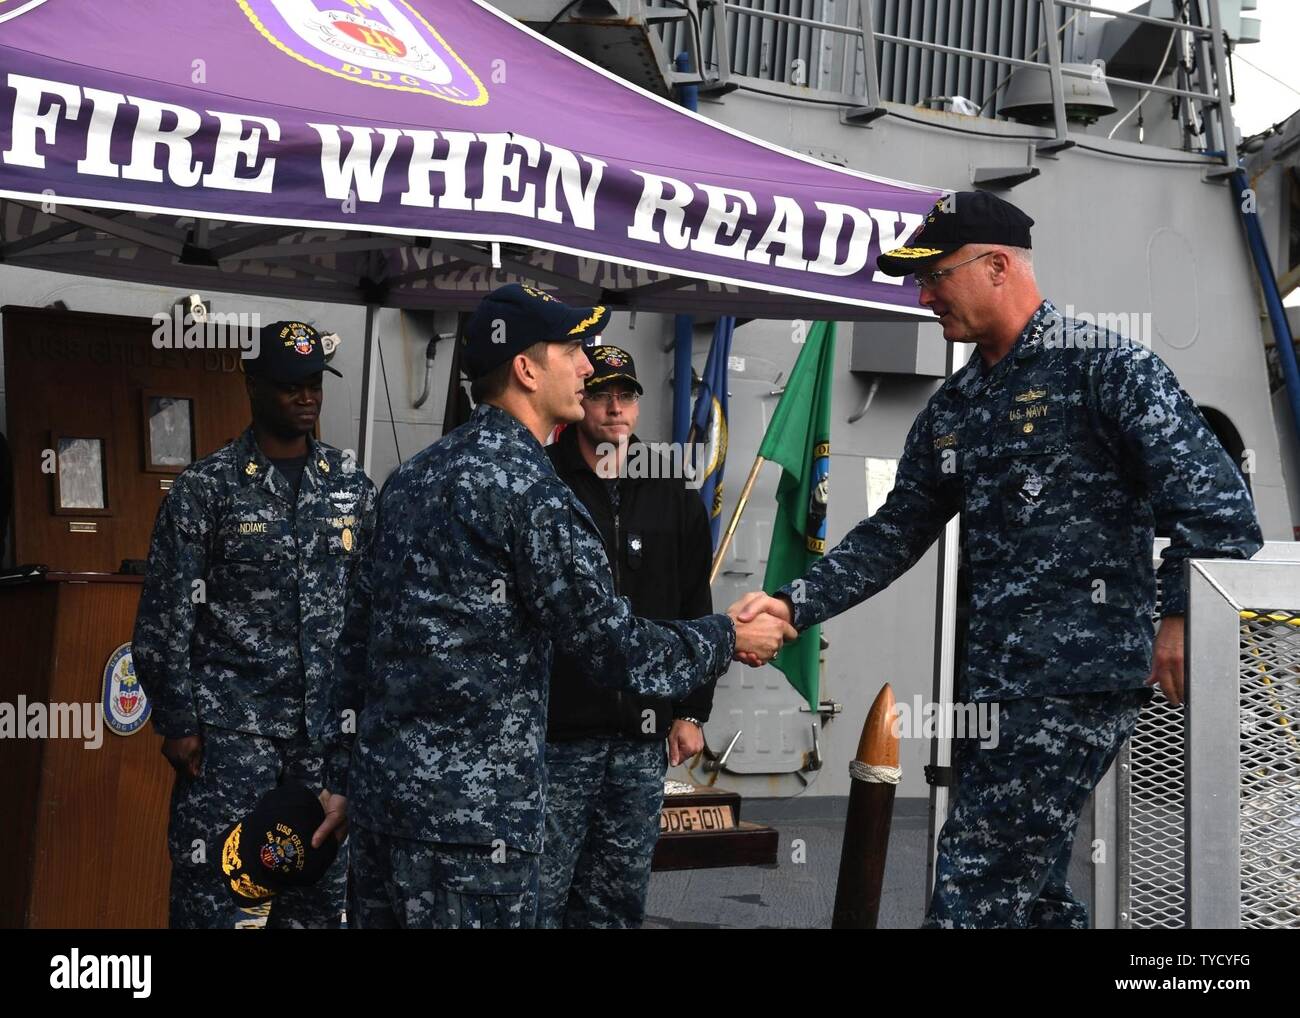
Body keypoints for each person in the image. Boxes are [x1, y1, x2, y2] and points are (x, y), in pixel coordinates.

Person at [732, 191, 1263, 928]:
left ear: (997, 267)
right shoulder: (956, 406)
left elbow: (1220, 512)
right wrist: (796, 604)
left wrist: (1178, 619)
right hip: (998, 689)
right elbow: (898, 529)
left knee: (972, 892)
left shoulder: (1108, 371)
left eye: (935, 277)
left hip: (1077, 684)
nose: (923, 297)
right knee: (1035, 897)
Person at [327, 284, 793, 929]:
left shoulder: (413, 476)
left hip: (384, 811)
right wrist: (727, 637)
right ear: (525, 369)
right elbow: (608, 644)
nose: (585, 366)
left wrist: (339, 774)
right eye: (572, 349)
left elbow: (354, 639)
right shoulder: (528, 490)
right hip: (473, 825)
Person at [133, 320, 375, 929]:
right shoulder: (205, 489)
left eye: (314, 383)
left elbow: (373, 609)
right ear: (253, 385)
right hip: (230, 735)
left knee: (317, 898)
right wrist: (178, 720)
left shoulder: (349, 486)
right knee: (219, 890)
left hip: (325, 738)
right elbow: (166, 615)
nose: (306, 397)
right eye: (291, 384)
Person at [540, 344, 716, 929]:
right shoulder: (545, 480)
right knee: (541, 892)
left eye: (627, 395)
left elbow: (695, 601)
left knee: (618, 896)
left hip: (642, 734)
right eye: (601, 394)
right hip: (558, 732)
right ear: (580, 398)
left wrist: (692, 709)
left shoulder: (672, 489)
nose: (615, 408)